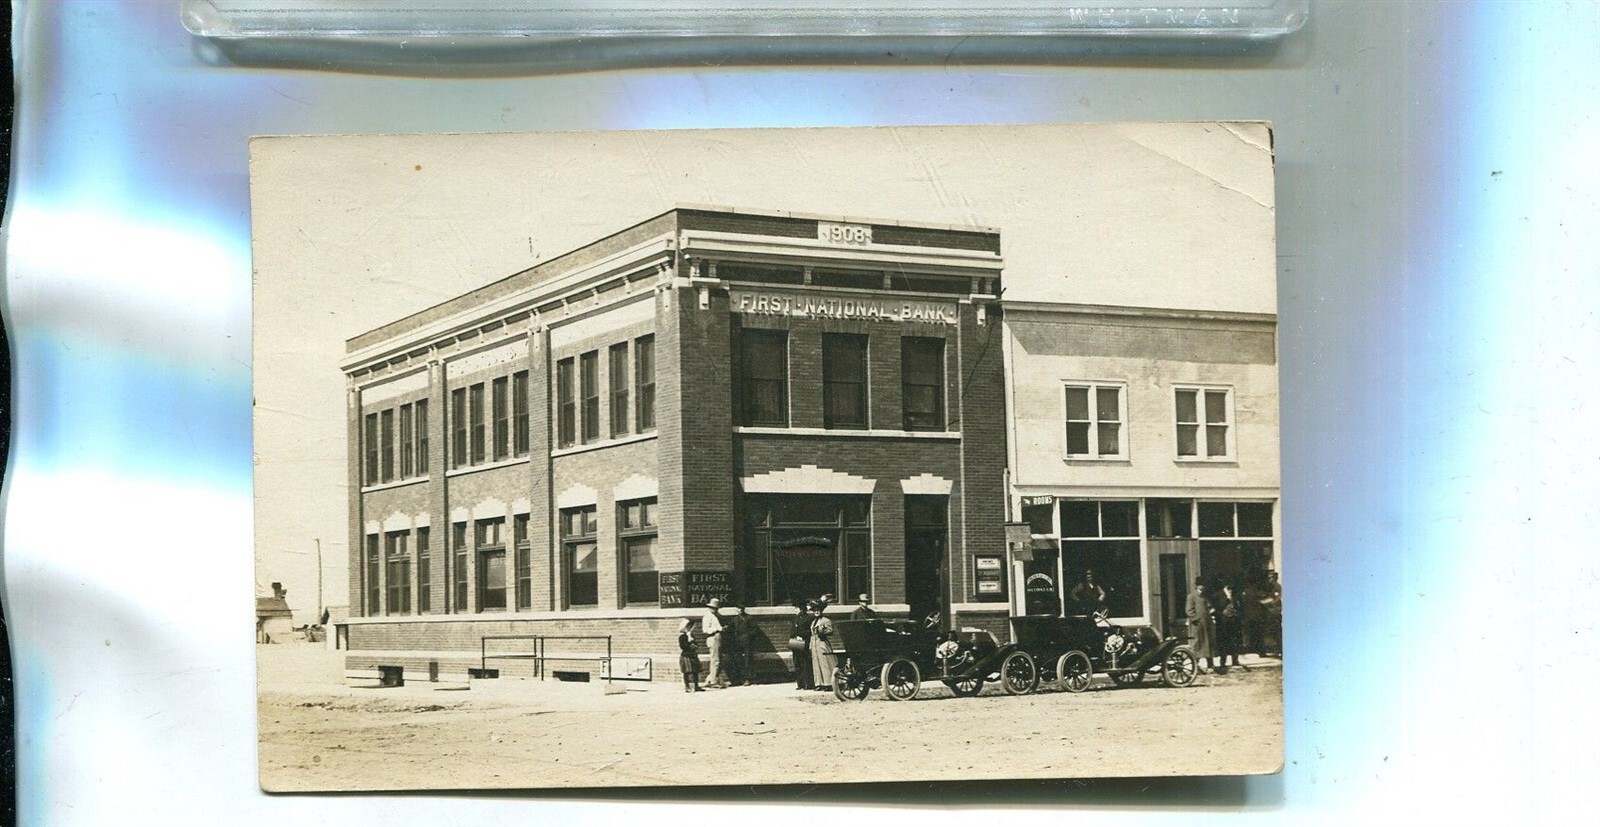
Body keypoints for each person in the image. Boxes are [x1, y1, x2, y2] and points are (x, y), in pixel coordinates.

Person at [1185, 578, 1216, 673]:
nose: (1203, 587)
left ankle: (1210, 664)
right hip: (1198, 625)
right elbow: (1189, 610)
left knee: (1209, 643)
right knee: (1198, 644)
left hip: (1208, 623)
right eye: (1200, 585)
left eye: (1204, 585)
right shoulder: (1192, 596)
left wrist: (1211, 614)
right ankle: (1195, 665)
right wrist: (1197, 619)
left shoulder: (1206, 596)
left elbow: (1210, 607)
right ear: (1197, 586)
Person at [1214, 582, 1246, 671]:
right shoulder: (1218, 595)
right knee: (1224, 642)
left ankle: (1235, 660)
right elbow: (1216, 608)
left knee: (1235, 640)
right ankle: (1223, 662)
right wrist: (1226, 600)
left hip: (1234, 621)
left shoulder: (1236, 594)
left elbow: (1241, 607)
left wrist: (1238, 614)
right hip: (1223, 622)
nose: (1231, 589)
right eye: (1229, 588)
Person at [809, 603, 839, 692]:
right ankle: (819, 683)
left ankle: (828, 683)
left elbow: (830, 631)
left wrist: (823, 631)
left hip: (822, 643)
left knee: (825, 662)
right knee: (816, 664)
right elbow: (812, 634)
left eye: (818, 610)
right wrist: (810, 645)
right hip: (815, 644)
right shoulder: (813, 621)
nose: (816, 612)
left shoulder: (825, 620)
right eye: (815, 610)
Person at [726, 604, 755, 686]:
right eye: (738, 608)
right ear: (736, 609)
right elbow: (730, 628)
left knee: (747, 660)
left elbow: (754, 630)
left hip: (747, 642)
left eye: (741, 608)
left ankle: (747, 679)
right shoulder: (734, 619)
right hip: (737, 643)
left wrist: (748, 636)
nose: (740, 610)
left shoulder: (749, 618)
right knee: (738, 659)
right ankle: (738, 679)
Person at [790, 601, 816, 690]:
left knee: (806, 664)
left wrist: (801, 635)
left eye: (796, 608)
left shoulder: (808, 618)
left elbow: (810, 631)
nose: (795, 610)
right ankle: (800, 684)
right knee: (797, 664)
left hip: (804, 643)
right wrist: (794, 635)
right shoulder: (795, 619)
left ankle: (808, 684)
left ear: (801, 609)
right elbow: (792, 630)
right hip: (796, 644)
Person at [700, 598, 726, 688]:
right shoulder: (708, 616)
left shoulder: (714, 616)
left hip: (717, 637)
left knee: (717, 659)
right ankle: (714, 681)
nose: (716, 610)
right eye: (715, 608)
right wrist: (718, 629)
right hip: (713, 637)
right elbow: (705, 630)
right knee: (716, 660)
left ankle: (710, 679)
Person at [677, 618, 704, 693]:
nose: (690, 628)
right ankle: (687, 686)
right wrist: (689, 642)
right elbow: (683, 646)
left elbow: (696, 645)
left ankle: (696, 686)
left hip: (693, 655)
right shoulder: (682, 637)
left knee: (696, 671)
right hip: (686, 655)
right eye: (688, 626)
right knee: (687, 672)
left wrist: (693, 644)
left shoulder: (692, 635)